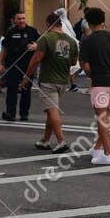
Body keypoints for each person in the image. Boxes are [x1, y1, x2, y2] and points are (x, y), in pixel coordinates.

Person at [78, 9, 110, 166]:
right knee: (104, 114)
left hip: (100, 81)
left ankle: (107, 153)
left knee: (101, 117)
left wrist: (92, 75)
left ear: (88, 22)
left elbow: (84, 64)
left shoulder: (87, 40)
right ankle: (97, 147)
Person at [26, 12, 76, 154]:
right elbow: (73, 62)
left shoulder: (45, 38)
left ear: (48, 23)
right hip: (63, 81)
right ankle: (45, 140)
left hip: (48, 80)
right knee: (51, 110)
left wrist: (26, 77)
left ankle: (61, 141)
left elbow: (36, 59)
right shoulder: (71, 41)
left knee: (52, 110)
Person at [0, 11, 38, 121]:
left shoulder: (32, 31)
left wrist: (36, 46)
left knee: (26, 89)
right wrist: (0, 63)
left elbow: (41, 45)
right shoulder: (10, 32)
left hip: (28, 66)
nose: (21, 20)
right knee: (11, 89)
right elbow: (4, 48)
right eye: (19, 19)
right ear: (14, 20)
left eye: (23, 18)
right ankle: (10, 113)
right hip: (13, 65)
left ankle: (24, 114)